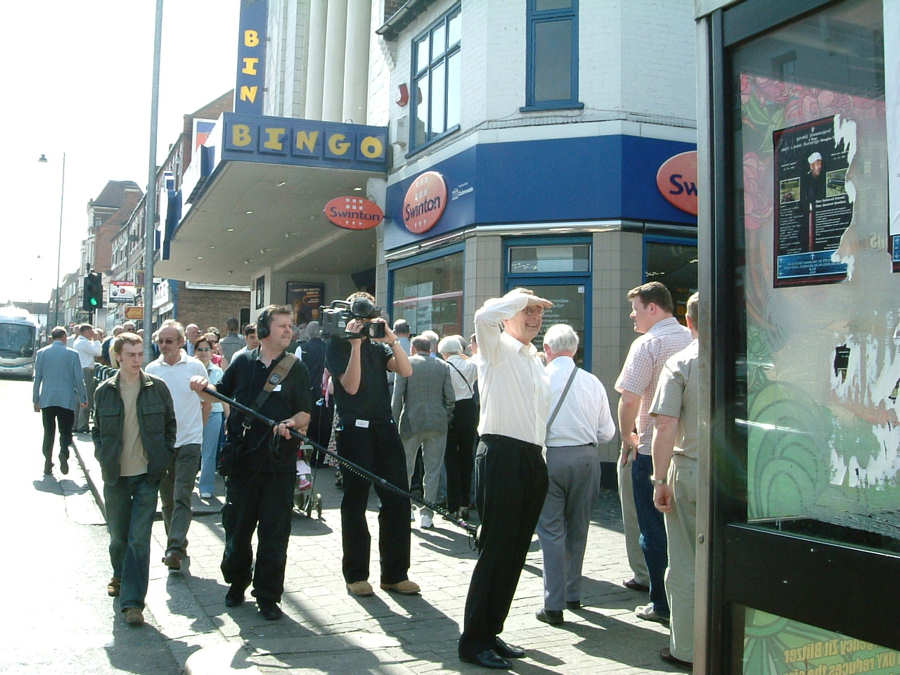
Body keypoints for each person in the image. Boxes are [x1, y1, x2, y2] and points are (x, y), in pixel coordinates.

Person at [190, 305, 312, 620]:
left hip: (279, 464)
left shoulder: (296, 368)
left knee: (275, 533)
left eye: (290, 326)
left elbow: (306, 414)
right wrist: (203, 388)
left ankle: (268, 595)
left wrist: (290, 422)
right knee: (237, 528)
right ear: (264, 329)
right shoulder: (243, 363)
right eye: (282, 325)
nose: (288, 330)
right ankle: (237, 582)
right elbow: (219, 395)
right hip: (243, 462)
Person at [458, 287, 553, 670]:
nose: (533, 317)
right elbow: (483, 317)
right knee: (496, 551)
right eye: (526, 311)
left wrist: (541, 459)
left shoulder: (535, 358)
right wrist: (519, 297)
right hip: (501, 456)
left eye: (538, 313)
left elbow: (537, 419)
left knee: (515, 553)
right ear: (510, 314)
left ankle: (491, 631)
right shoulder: (495, 348)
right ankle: (473, 641)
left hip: (531, 459)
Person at [325, 291, 419, 597]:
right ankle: (356, 574)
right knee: (356, 501)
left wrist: (392, 340)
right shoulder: (337, 344)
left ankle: (395, 574)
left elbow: (406, 370)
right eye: (360, 319)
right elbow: (350, 387)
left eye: (369, 319)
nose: (365, 325)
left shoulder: (379, 346)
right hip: (354, 430)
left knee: (397, 498)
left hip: (384, 427)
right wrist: (354, 345)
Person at [615, 281, 692, 627]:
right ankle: (688, 599)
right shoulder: (693, 340)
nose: (632, 315)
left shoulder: (647, 344)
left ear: (653, 308)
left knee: (653, 528)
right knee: (685, 530)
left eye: (635, 308)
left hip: (649, 449)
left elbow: (629, 397)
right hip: (688, 451)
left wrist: (627, 436)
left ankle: (661, 603)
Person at [93, 332, 176, 626]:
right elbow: (96, 428)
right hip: (115, 476)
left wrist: (162, 458)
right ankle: (119, 573)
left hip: (146, 476)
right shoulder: (104, 391)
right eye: (131, 355)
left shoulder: (157, 388)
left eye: (141, 354)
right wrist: (102, 456)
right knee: (118, 538)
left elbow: (170, 425)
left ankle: (132, 603)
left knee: (139, 540)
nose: (137, 360)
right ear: (118, 356)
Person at [535, 324, 616, 625]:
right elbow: (607, 432)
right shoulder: (592, 382)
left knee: (550, 530)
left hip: (550, 458)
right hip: (586, 458)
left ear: (547, 350)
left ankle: (553, 604)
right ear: (575, 349)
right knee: (579, 526)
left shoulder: (540, 379)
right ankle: (573, 593)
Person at [650, 292, 700, 669]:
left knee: (683, 561)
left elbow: (665, 424)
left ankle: (686, 648)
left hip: (690, 470)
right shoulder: (748, 357)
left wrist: (659, 478)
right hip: (737, 474)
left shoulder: (680, 363)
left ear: (690, 322)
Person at [145, 320, 209, 572]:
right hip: (162, 444)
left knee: (182, 494)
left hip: (189, 441)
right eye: (160, 341)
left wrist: (198, 431)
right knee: (168, 498)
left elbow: (206, 401)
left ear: (182, 342)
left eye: (169, 341)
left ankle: (173, 547)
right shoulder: (151, 369)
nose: (163, 345)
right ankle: (178, 544)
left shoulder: (195, 366)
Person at [392, 335, 455, 529]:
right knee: (433, 470)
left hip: (411, 421)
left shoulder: (406, 364)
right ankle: (427, 515)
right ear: (430, 349)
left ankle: (406, 508)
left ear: (412, 348)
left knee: (406, 468)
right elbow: (450, 398)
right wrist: (446, 415)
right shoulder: (443, 366)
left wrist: (395, 421)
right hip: (437, 423)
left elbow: (397, 399)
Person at [33, 326, 88, 475]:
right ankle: (64, 452)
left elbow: (37, 378)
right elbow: (79, 379)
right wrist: (83, 398)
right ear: (64, 337)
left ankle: (47, 460)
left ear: (52, 337)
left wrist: (35, 399)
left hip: (48, 399)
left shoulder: (42, 353)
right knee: (65, 431)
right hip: (67, 400)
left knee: (49, 431)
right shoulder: (73, 354)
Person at [438, 335, 478, 519]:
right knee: (467, 456)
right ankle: (465, 503)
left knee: (450, 457)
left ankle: (452, 504)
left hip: (450, 410)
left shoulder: (443, 367)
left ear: (444, 352)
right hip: (469, 410)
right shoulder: (470, 365)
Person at [194, 333, 228, 499]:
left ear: (212, 351)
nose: (203, 352)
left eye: (207, 349)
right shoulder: (190, 369)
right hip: (192, 414)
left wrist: (228, 418)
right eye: (200, 349)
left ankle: (205, 486)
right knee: (191, 450)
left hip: (214, 414)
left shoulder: (217, 371)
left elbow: (224, 398)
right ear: (195, 351)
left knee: (209, 452)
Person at [300, 321, 329, 466]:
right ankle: (321, 458)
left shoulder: (303, 348)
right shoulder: (327, 348)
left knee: (309, 426)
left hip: (308, 391)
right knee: (324, 425)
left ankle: (309, 458)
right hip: (325, 392)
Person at [72, 324, 101, 432]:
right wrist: (97, 340)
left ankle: (75, 424)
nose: (92, 333)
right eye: (90, 331)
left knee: (79, 398)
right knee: (86, 397)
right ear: (85, 331)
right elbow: (98, 352)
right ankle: (82, 424)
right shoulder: (84, 342)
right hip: (86, 371)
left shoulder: (80, 341)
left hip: (82, 369)